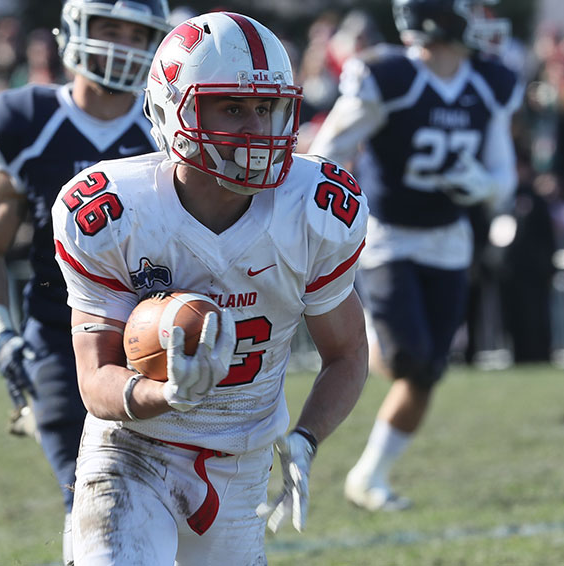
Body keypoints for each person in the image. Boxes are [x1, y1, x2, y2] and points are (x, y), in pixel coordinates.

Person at [51, 12, 369, 564]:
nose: (256, 128)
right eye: (232, 107)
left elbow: (346, 353)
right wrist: (164, 395)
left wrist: (306, 437)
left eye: (266, 108)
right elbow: (95, 379)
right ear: (173, 109)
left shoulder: (313, 209)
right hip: (132, 448)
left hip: (241, 464)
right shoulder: (113, 211)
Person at [0, 1, 171, 563]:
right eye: (111, 29)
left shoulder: (168, 129)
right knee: (86, 491)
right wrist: (0, 332)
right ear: (75, 33)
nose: (124, 45)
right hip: (59, 335)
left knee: (162, 498)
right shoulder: (25, 123)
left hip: (153, 338)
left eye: (138, 34)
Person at [308, 0, 522, 511]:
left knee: (426, 370)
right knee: (409, 358)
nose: (484, 16)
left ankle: (370, 475)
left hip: (449, 238)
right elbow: (328, 151)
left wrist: (483, 187)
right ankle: (369, 342)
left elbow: (504, 178)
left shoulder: (488, 82)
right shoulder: (391, 75)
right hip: (389, 235)